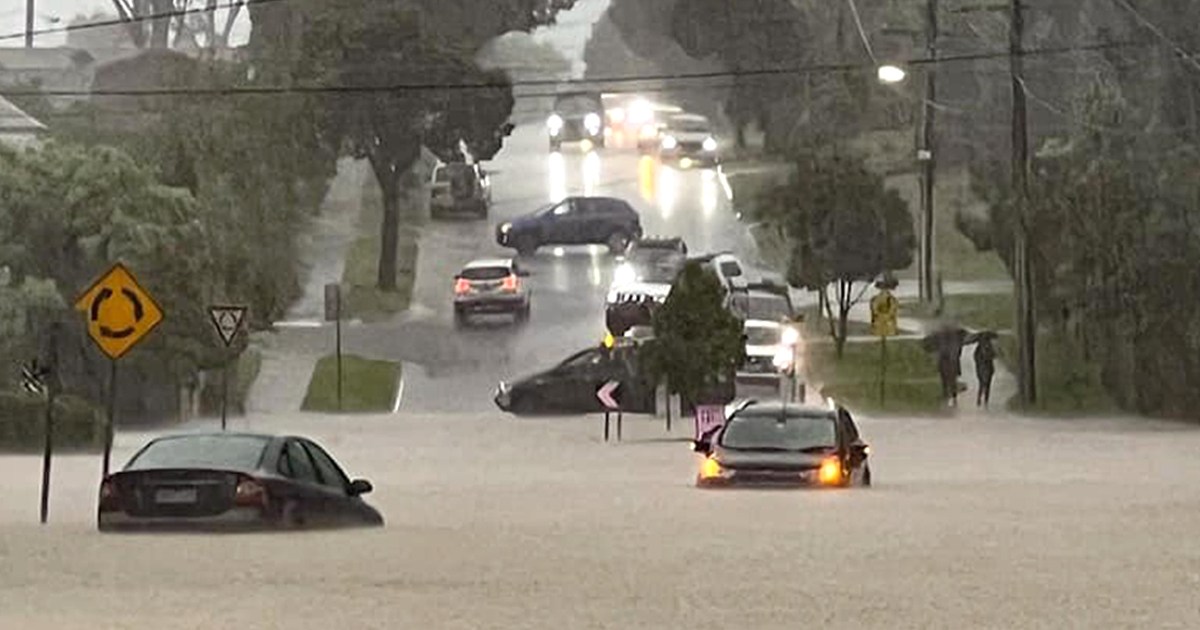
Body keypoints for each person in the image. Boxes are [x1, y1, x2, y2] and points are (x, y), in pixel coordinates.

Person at [974, 335, 998, 408]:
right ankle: (984, 400)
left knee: (983, 384)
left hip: (984, 368)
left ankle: (981, 400)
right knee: (986, 384)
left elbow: (975, 358)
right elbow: (995, 355)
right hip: (985, 368)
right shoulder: (987, 347)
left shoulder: (980, 348)